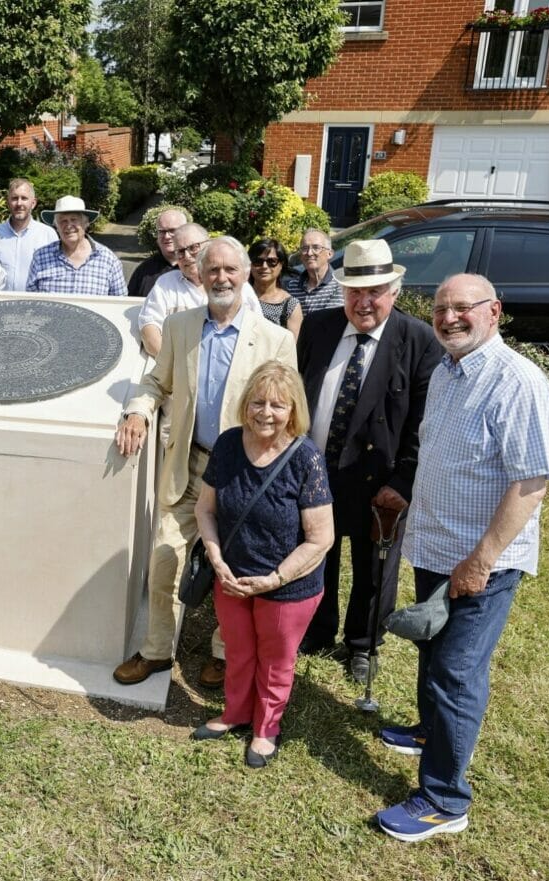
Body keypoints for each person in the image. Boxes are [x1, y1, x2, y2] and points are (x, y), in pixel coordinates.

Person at [375, 273, 549, 842]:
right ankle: (430, 730)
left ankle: (445, 800)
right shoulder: (448, 371)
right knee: (432, 646)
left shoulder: (517, 381)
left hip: (483, 561)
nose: (450, 317)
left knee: (457, 672)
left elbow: (531, 481)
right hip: (436, 544)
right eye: (441, 309)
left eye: (463, 308)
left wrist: (481, 561)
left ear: (494, 311)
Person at [113, 237, 297, 690]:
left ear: (245, 274)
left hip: (242, 472)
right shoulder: (180, 327)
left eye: (230, 270)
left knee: (234, 568)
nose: (221, 278)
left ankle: (223, 651)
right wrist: (137, 409)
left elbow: (289, 411)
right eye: (212, 270)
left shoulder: (274, 339)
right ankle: (156, 650)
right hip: (188, 467)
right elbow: (157, 382)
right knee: (163, 559)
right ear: (200, 274)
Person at [297, 240, 442, 681]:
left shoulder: (417, 340)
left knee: (374, 566)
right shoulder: (318, 327)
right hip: (317, 473)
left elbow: (424, 425)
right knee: (316, 554)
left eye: (374, 291)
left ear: (394, 291)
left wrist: (402, 484)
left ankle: (363, 642)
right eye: (354, 292)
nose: (363, 302)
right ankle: (318, 630)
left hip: (379, 481)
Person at [190, 362, 333, 767]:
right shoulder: (228, 445)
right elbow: (205, 509)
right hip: (231, 577)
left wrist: (274, 579)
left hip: (287, 586)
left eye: (277, 404)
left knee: (275, 660)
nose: (265, 413)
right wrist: (216, 559)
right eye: (257, 402)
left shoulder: (306, 459)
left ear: (293, 411)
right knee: (238, 650)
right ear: (245, 404)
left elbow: (321, 538)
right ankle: (235, 713)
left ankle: (266, 728)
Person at [138, 225, 262, 358]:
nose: (187, 256)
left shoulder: (237, 285)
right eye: (180, 251)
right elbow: (149, 328)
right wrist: (175, 365)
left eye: (193, 248)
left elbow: (259, 329)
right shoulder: (166, 284)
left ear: (208, 245)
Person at [27, 195, 128, 296]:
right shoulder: (40, 258)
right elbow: (30, 301)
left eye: (74, 219)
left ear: (86, 223)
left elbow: (120, 303)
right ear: (56, 226)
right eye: (63, 221)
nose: (69, 225)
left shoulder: (108, 260)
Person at [0, 177, 57, 289]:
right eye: (14, 198)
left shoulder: (47, 235)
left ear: (33, 203)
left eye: (24, 198)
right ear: (8, 202)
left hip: (35, 303)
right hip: (2, 303)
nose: (19, 203)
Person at [127, 206, 191, 298]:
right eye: (162, 231)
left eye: (172, 230)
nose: (167, 236)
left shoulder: (198, 269)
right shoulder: (144, 271)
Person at [248, 238, 303, 339]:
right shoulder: (240, 297)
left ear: (281, 265)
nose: (264, 266)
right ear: (250, 265)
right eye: (257, 261)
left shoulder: (289, 305)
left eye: (271, 261)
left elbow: (292, 350)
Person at [284, 228, 343, 314]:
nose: (309, 253)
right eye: (305, 248)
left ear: (330, 254)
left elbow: (328, 321)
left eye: (316, 247)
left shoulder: (339, 285)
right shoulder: (292, 286)